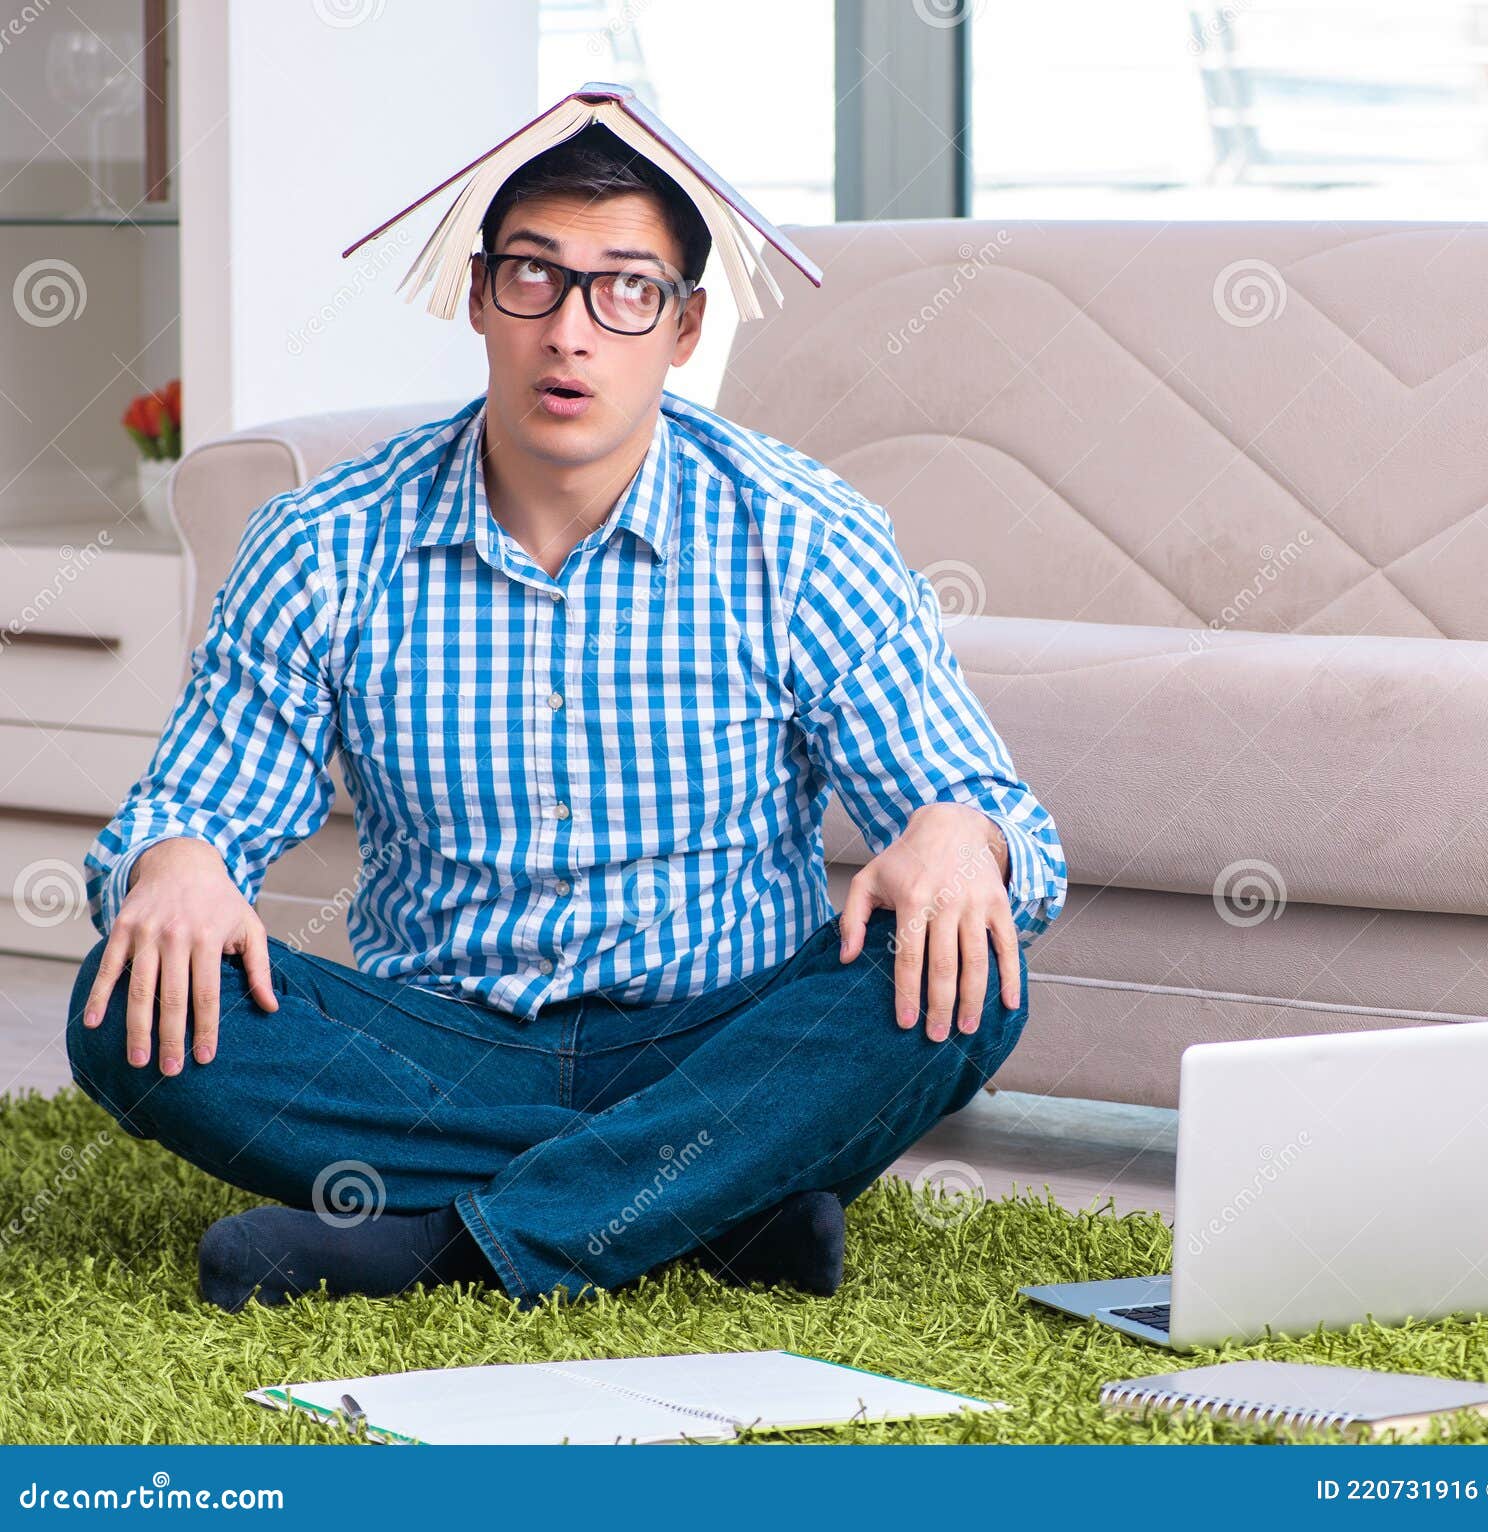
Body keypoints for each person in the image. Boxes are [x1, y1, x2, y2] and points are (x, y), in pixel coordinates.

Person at [64, 124, 1068, 1314]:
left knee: (964, 971)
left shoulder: (799, 534)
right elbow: (191, 809)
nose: (571, 328)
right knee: (118, 1003)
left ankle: (452, 1243)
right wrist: (176, 858)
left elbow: (1007, 829)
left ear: (685, 328)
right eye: (533, 275)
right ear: (479, 295)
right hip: (435, 1043)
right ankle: (715, 1202)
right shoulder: (323, 542)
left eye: (626, 290)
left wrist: (963, 833)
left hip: (715, 1032)